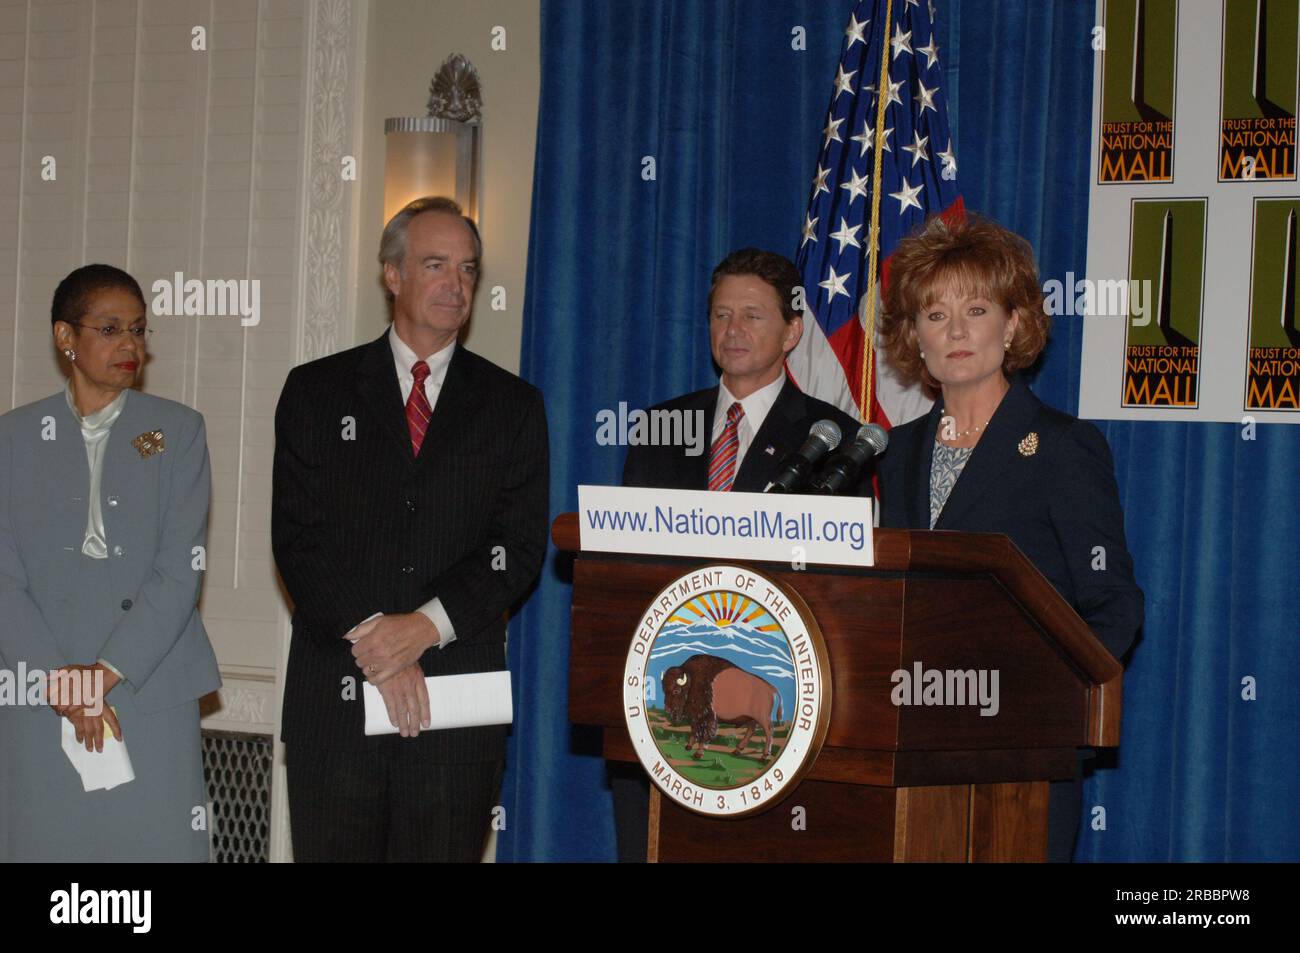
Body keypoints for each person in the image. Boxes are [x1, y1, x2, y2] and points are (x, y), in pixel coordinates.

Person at [273, 196, 548, 862]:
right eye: (436, 264)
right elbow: (299, 541)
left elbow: (516, 550)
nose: (457, 285)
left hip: (454, 716)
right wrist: (378, 639)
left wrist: (422, 627)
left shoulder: (513, 405)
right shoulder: (316, 391)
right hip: (336, 706)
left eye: (469, 269)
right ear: (392, 274)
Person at [875, 214, 1144, 862]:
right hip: (912, 747)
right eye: (935, 316)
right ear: (914, 337)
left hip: (1025, 750)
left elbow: (1113, 603)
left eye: (976, 308)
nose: (957, 331)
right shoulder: (893, 451)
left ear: (1016, 323)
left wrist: (1044, 704)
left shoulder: (1061, 446)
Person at [615, 247, 871, 861]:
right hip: (658, 684)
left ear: (792, 331)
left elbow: (842, 591)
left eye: (753, 316)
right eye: (721, 315)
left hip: (786, 689)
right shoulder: (659, 426)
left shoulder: (833, 441)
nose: (733, 331)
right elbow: (621, 569)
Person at [0, 264, 220, 861]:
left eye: (139, 330)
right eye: (110, 328)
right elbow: (4, 580)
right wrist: (64, 681)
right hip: (41, 688)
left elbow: (181, 569)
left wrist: (104, 673)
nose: (131, 345)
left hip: (147, 681)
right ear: (64, 337)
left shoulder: (178, 431)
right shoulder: (13, 439)